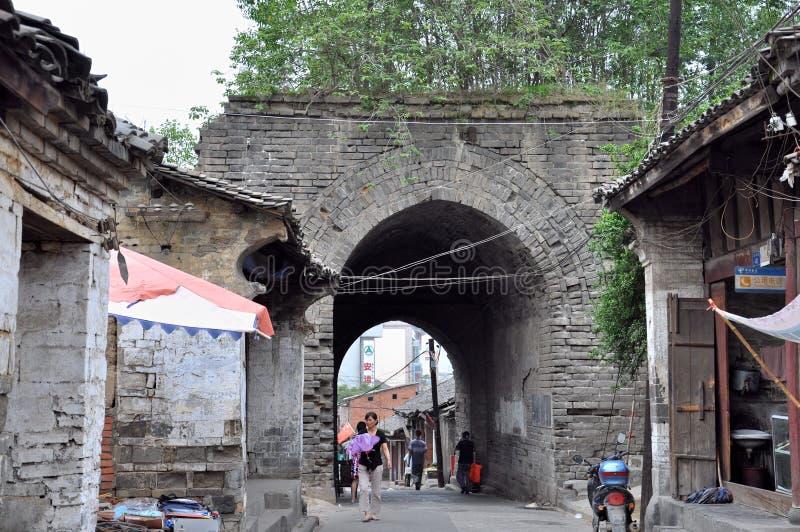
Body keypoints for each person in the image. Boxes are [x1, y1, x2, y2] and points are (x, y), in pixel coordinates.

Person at [358, 411, 392, 522]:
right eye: (366, 420)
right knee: (363, 488)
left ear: (376, 421)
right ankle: (366, 513)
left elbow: (385, 448)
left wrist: (389, 459)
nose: (368, 422)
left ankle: (374, 513)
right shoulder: (362, 433)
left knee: (376, 491)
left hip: (376, 465)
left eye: (370, 420)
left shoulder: (380, 434)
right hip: (363, 464)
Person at [347, 421, 374, 503]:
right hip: (363, 461)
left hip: (355, 462)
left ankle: (352, 499)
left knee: (355, 480)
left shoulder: (354, 439)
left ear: (357, 428)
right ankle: (364, 499)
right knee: (364, 481)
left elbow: (350, 451)